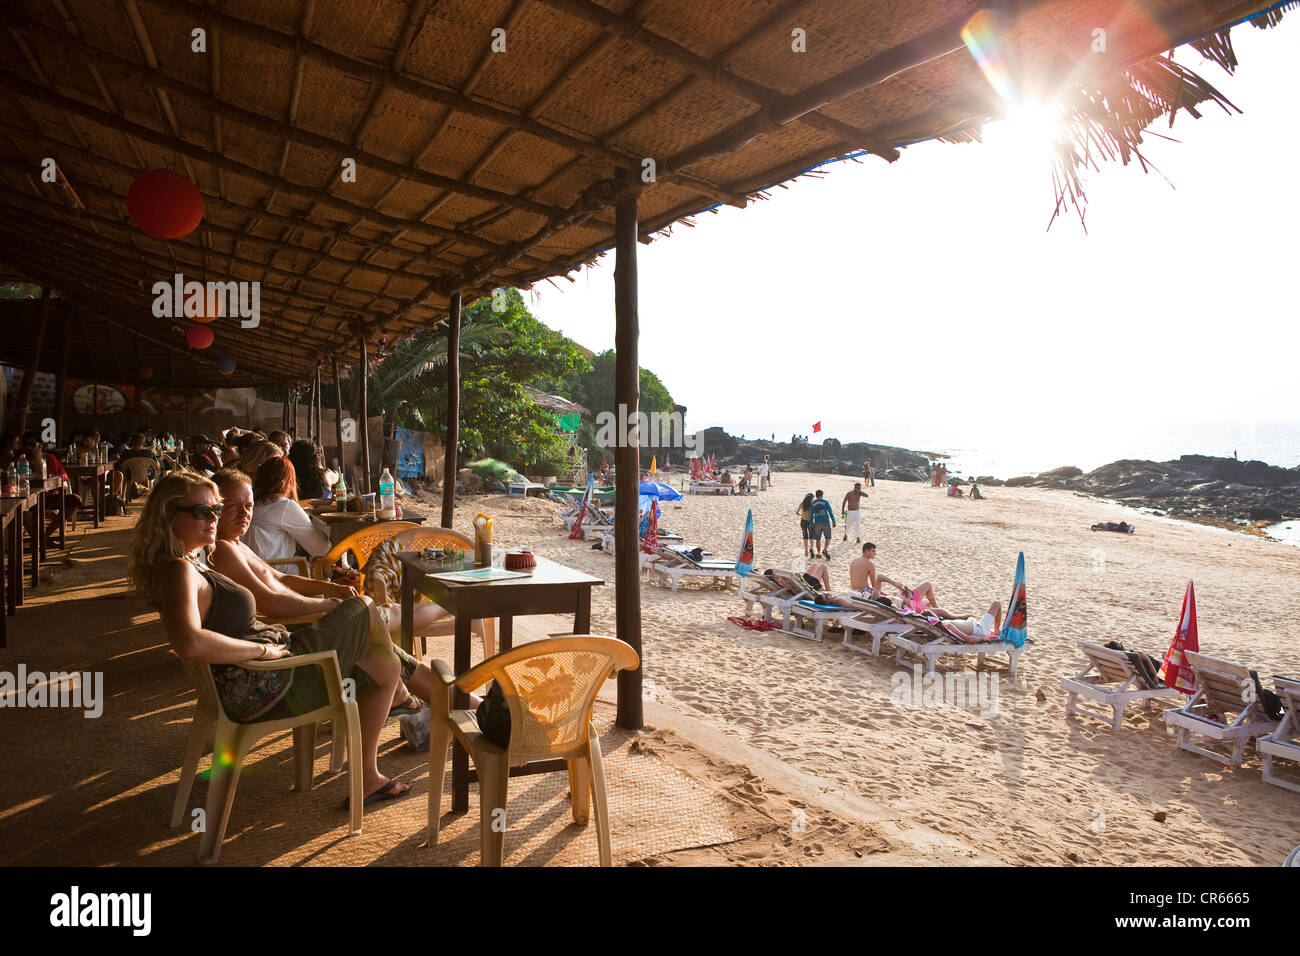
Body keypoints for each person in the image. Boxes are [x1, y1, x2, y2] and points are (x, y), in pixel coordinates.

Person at [126, 471, 410, 803]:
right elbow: (189, 641)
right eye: (202, 511)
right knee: (363, 606)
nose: (213, 518)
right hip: (272, 684)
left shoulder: (189, 562)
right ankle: (404, 698)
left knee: (383, 663)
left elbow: (269, 583)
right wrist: (262, 651)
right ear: (168, 515)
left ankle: (373, 769)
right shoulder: (177, 569)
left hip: (268, 673)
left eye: (215, 509)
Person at [209, 469, 443, 718]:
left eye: (249, 506)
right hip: (281, 659)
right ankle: (442, 616)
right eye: (233, 506)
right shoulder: (224, 551)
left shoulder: (235, 545)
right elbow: (272, 604)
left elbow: (281, 578)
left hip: (285, 639)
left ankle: (412, 699)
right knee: (371, 612)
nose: (245, 514)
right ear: (216, 508)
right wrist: (324, 605)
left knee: (378, 638)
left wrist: (330, 588)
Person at [246, 456, 332, 562]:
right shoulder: (284, 506)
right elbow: (320, 548)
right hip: (280, 573)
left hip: (252, 570)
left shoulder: (251, 505)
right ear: (289, 481)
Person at [808, 489, 835, 559]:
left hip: (817, 523)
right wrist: (833, 521)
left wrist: (811, 523)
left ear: (816, 495)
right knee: (828, 537)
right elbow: (830, 512)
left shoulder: (813, 503)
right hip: (826, 522)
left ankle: (819, 552)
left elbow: (811, 514)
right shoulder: (825, 502)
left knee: (817, 539)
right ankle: (825, 549)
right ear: (822, 495)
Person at [796, 493, 814, 558]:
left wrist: (802, 514)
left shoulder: (802, 503)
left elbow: (797, 513)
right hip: (810, 522)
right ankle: (811, 549)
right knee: (811, 536)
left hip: (803, 521)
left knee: (805, 536)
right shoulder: (812, 504)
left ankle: (806, 551)